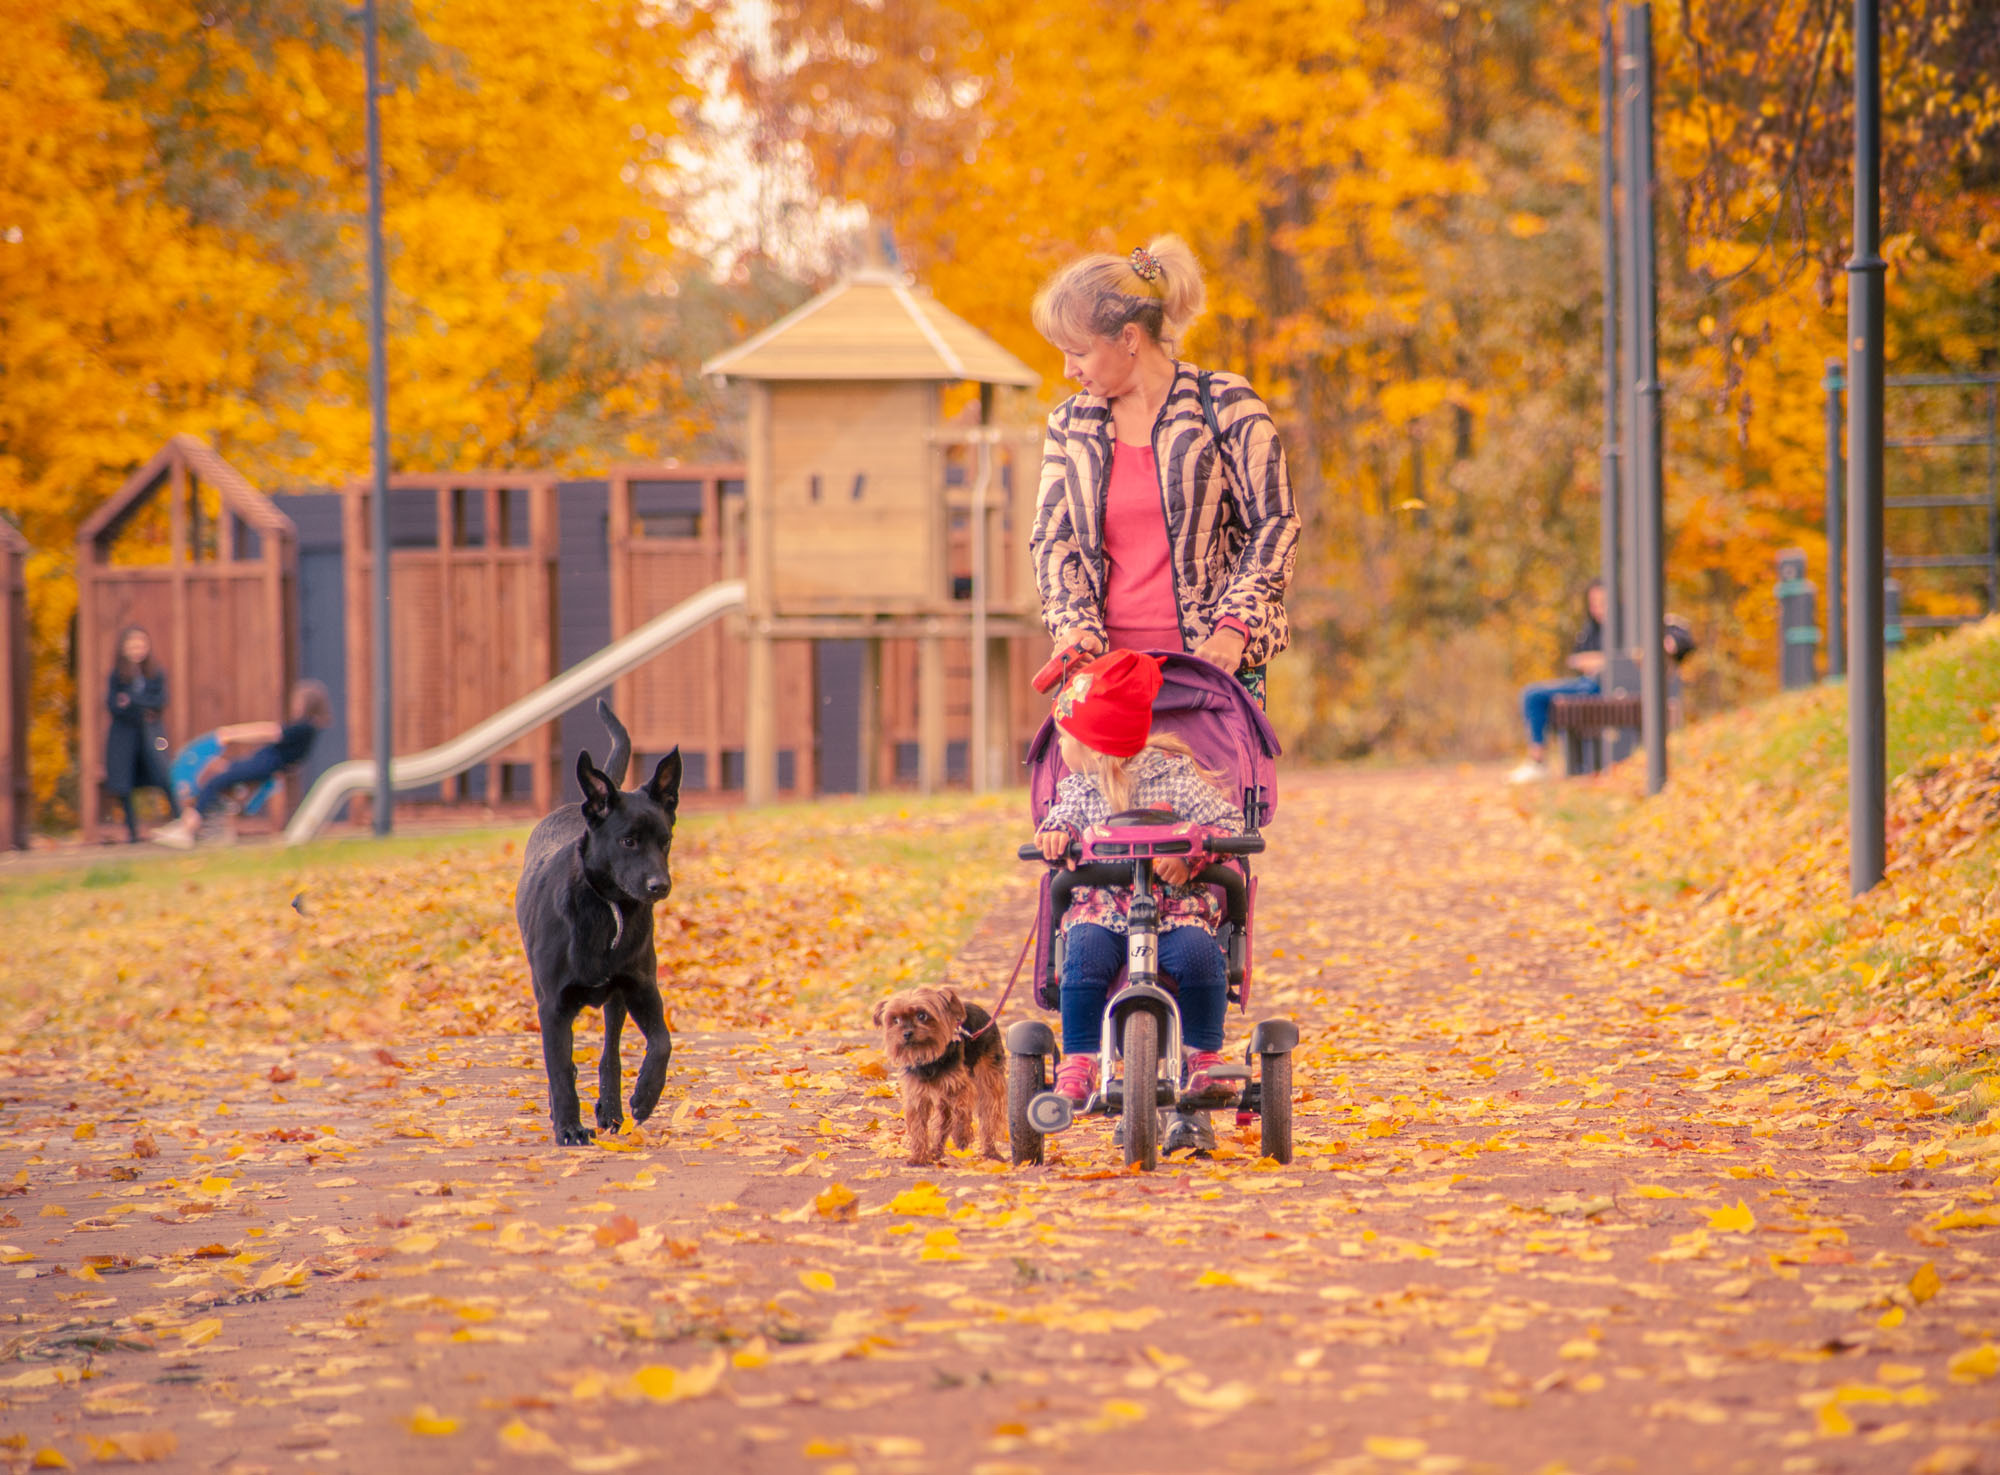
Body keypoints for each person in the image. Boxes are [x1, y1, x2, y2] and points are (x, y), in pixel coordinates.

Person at [1030, 236, 1300, 708]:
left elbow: (1274, 524)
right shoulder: (1069, 426)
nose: (1069, 369)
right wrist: (1073, 626)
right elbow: (1054, 541)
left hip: (1212, 673)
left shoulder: (1225, 405)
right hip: (1110, 679)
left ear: (1129, 338)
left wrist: (1233, 629)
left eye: (1079, 352)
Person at [1033, 650, 1244, 1155]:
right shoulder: (1079, 788)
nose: (1061, 747)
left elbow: (1228, 825)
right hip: (1102, 906)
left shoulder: (1176, 778)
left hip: (1174, 908)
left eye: (1067, 738)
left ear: (1097, 746)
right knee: (1083, 954)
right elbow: (1060, 819)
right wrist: (1056, 835)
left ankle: (1203, 1054)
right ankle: (1080, 1059)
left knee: (1199, 954)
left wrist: (1192, 856)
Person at [153, 680, 331, 848]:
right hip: (262, 763)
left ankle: (188, 829)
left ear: (307, 704)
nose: (295, 705)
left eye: (298, 702)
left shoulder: (304, 727)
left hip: (262, 765)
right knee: (217, 774)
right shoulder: (307, 729)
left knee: (214, 782)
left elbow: (270, 731)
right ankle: (204, 826)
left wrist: (232, 734)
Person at [1507, 582, 1608, 784]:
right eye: (1593, 603)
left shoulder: (1626, 627)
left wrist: (1599, 661)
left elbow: (1620, 660)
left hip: (1600, 688)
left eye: (1602, 602)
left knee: (1534, 695)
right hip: (1586, 683)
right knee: (1533, 695)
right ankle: (1538, 761)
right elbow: (1576, 659)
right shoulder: (1591, 630)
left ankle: (1538, 762)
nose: (1597, 608)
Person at [103, 626, 180, 843]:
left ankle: (180, 822)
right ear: (124, 648)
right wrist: (142, 705)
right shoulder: (117, 675)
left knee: (163, 776)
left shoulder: (155, 673)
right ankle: (132, 832)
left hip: (150, 735)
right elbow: (113, 705)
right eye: (132, 645)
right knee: (123, 782)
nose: (137, 649)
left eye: (141, 644)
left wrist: (132, 700)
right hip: (124, 737)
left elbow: (159, 702)